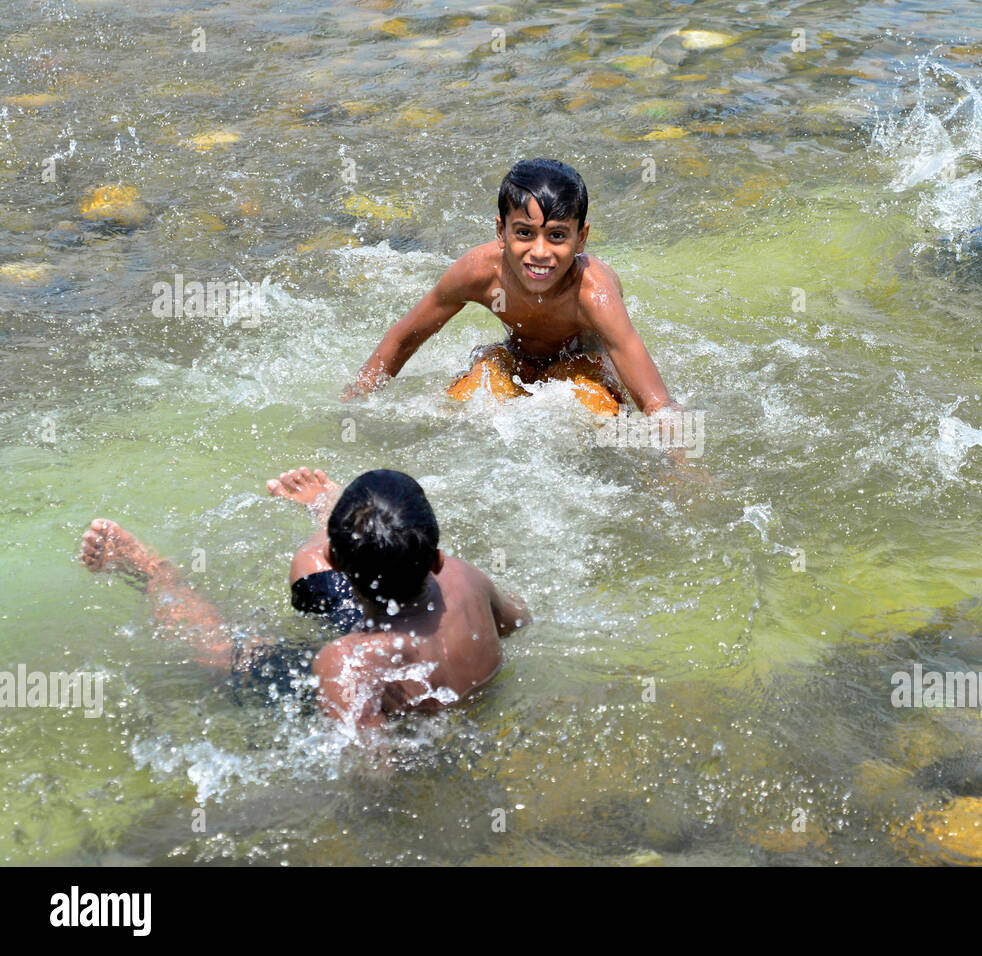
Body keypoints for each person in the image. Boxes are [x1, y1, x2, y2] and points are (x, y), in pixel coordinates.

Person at [78, 467, 529, 733]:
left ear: (337, 561)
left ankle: (154, 573)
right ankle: (341, 518)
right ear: (435, 559)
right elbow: (517, 622)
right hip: (403, 619)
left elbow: (370, 773)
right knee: (311, 572)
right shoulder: (466, 577)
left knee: (229, 654)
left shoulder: (347, 662)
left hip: (375, 643)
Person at [341, 158, 680, 416]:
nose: (540, 252)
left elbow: (657, 403)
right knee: (464, 401)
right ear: (501, 232)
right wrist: (357, 396)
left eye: (558, 235)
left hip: (583, 362)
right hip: (514, 359)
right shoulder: (479, 273)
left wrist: (679, 466)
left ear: (582, 239)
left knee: (592, 412)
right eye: (524, 233)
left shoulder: (592, 293)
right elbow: (405, 336)